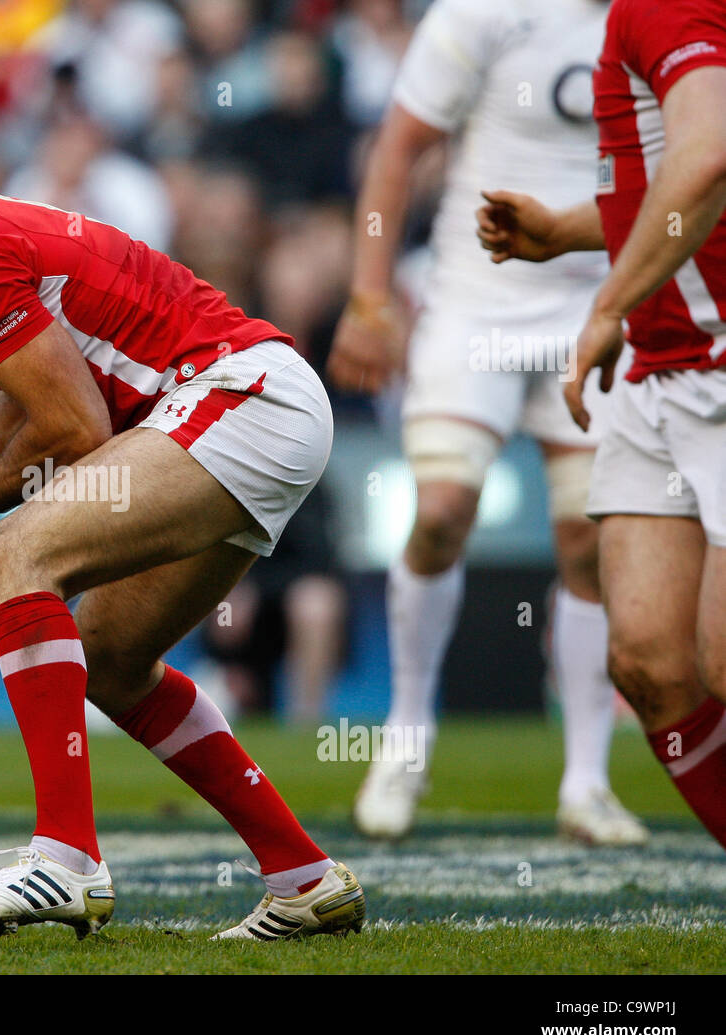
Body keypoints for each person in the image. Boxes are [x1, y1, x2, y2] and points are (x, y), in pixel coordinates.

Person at [0, 86, 366, 942]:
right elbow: (34, 392)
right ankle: (304, 878)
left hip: (235, 396)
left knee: (10, 560)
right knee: (113, 661)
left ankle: (66, 860)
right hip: (235, 404)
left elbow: (75, 425)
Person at [325, 0, 649, 845]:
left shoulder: (664, 17)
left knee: (588, 538)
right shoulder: (481, 12)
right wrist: (368, 294)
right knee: (438, 513)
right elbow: (397, 147)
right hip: (478, 302)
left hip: (598, 302)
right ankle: (405, 735)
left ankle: (585, 779)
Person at [476, 0, 726, 851]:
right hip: (665, 371)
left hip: (719, 362)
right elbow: (665, 172)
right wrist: (567, 229)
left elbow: (708, 155)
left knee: (722, 660)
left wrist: (609, 302)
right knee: (653, 664)